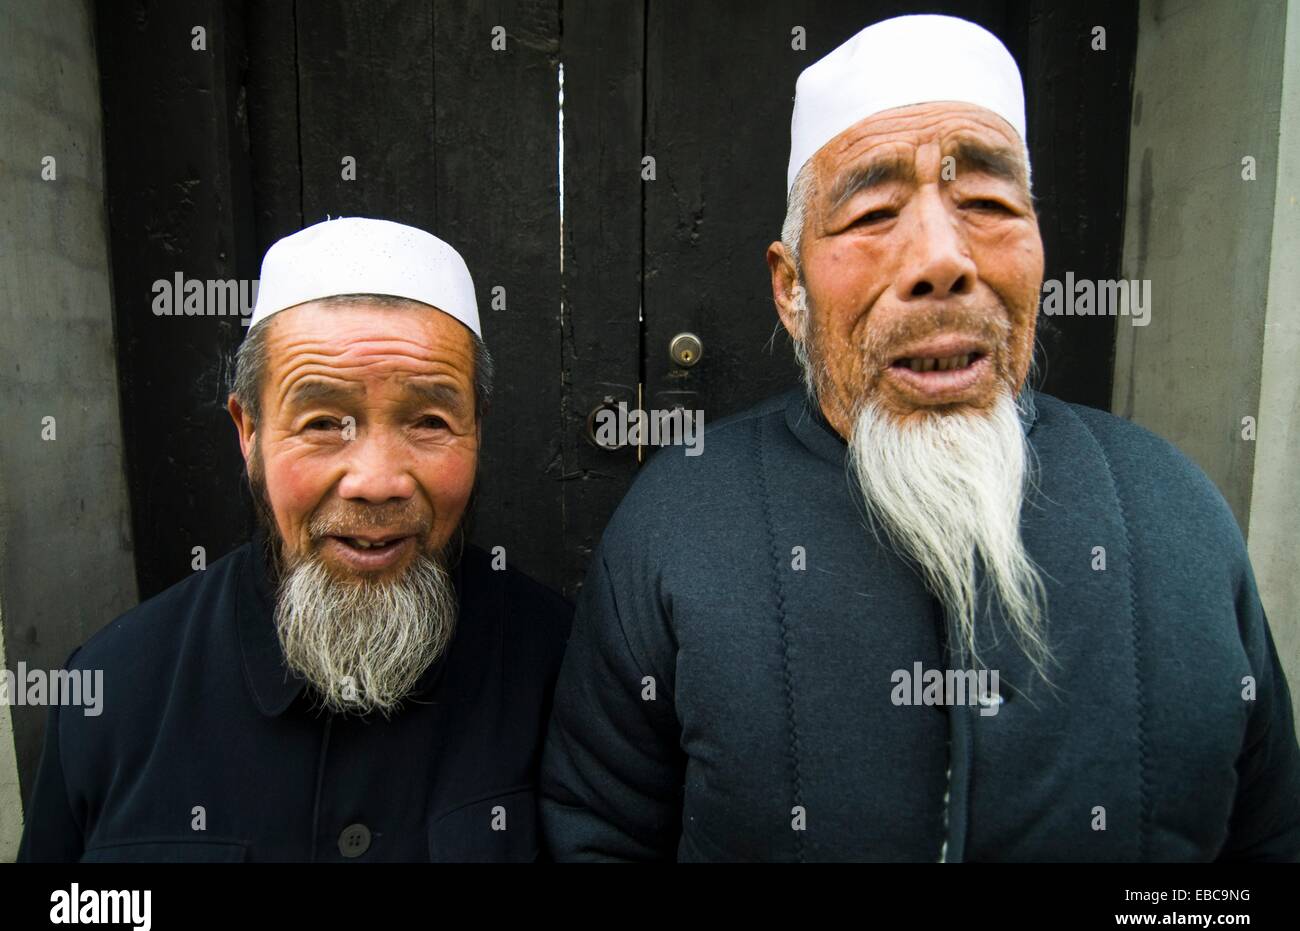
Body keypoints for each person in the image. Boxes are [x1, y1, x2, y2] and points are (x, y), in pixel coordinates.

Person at [540, 14, 1300, 861]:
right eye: (871, 212)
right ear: (791, 290)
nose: (941, 257)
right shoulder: (676, 526)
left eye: (986, 202)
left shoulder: (1175, 511)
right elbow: (595, 833)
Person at [20, 217, 571, 861]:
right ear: (248, 431)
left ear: (477, 429)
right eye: (320, 421)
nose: (375, 481)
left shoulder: (563, 670)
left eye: (428, 420)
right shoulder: (111, 692)